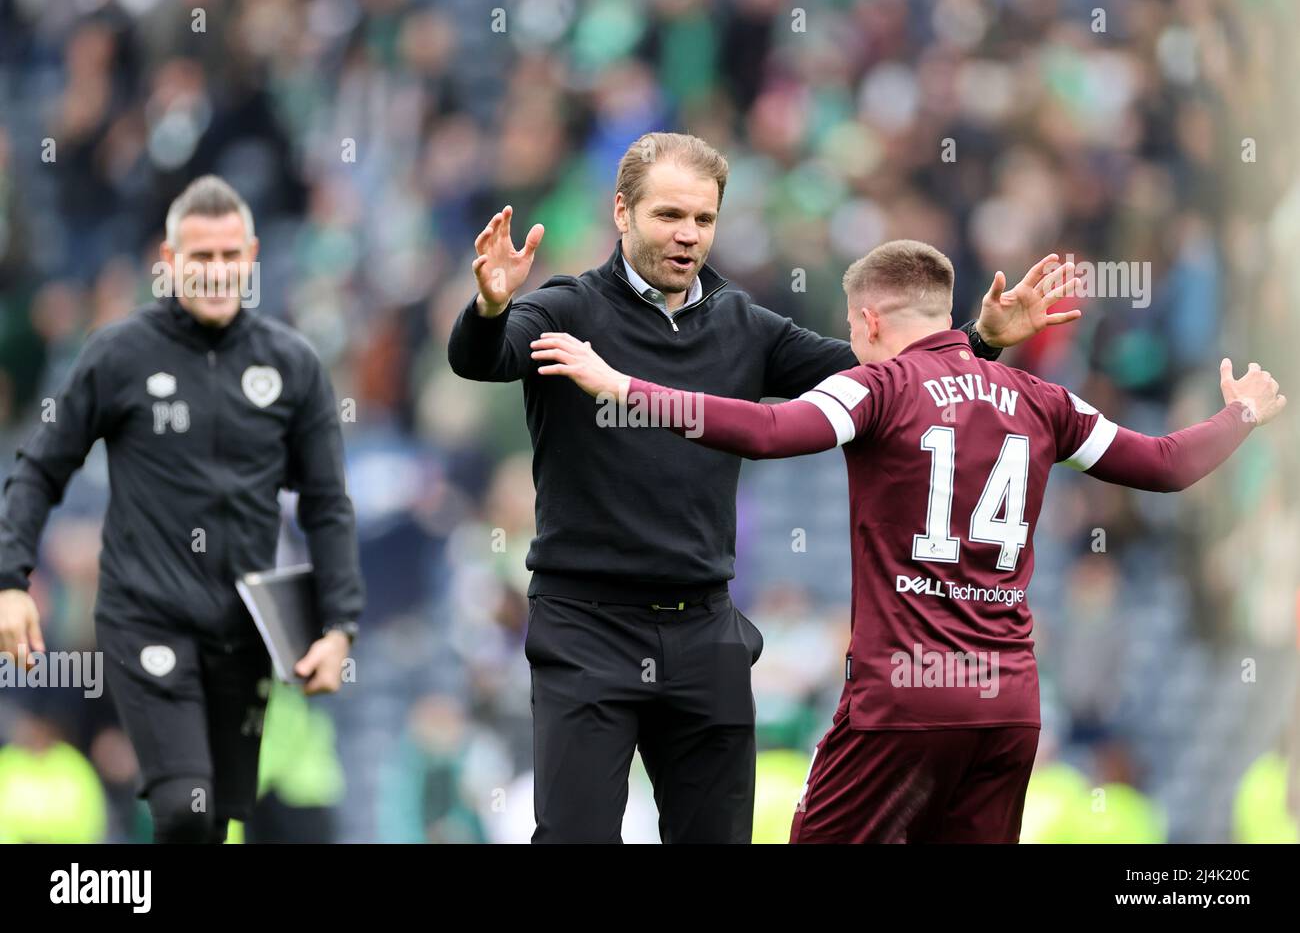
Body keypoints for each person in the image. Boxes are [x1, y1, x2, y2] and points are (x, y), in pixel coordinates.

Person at [531, 237, 1286, 843]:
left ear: (865, 323)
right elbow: (1166, 464)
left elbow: (765, 429)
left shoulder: (878, 385)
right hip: (1007, 705)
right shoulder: (1043, 399)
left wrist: (625, 387)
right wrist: (1240, 415)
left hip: (905, 698)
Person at [448, 132, 1080, 843]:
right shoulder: (567, 310)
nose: (688, 235)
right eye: (668, 216)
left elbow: (881, 381)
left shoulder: (742, 325)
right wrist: (492, 306)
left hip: (702, 629)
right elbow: (483, 359)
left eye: (704, 219)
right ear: (620, 213)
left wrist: (980, 341)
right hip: (586, 628)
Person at [0, 175, 364, 843]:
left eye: (230, 257)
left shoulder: (293, 367)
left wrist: (339, 625)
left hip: (244, 632)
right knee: (185, 809)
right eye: (201, 257)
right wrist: (9, 580)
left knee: (218, 821)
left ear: (251, 258)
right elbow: (40, 468)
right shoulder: (119, 356)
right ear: (168, 264)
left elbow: (327, 506)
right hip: (148, 619)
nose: (218, 272)